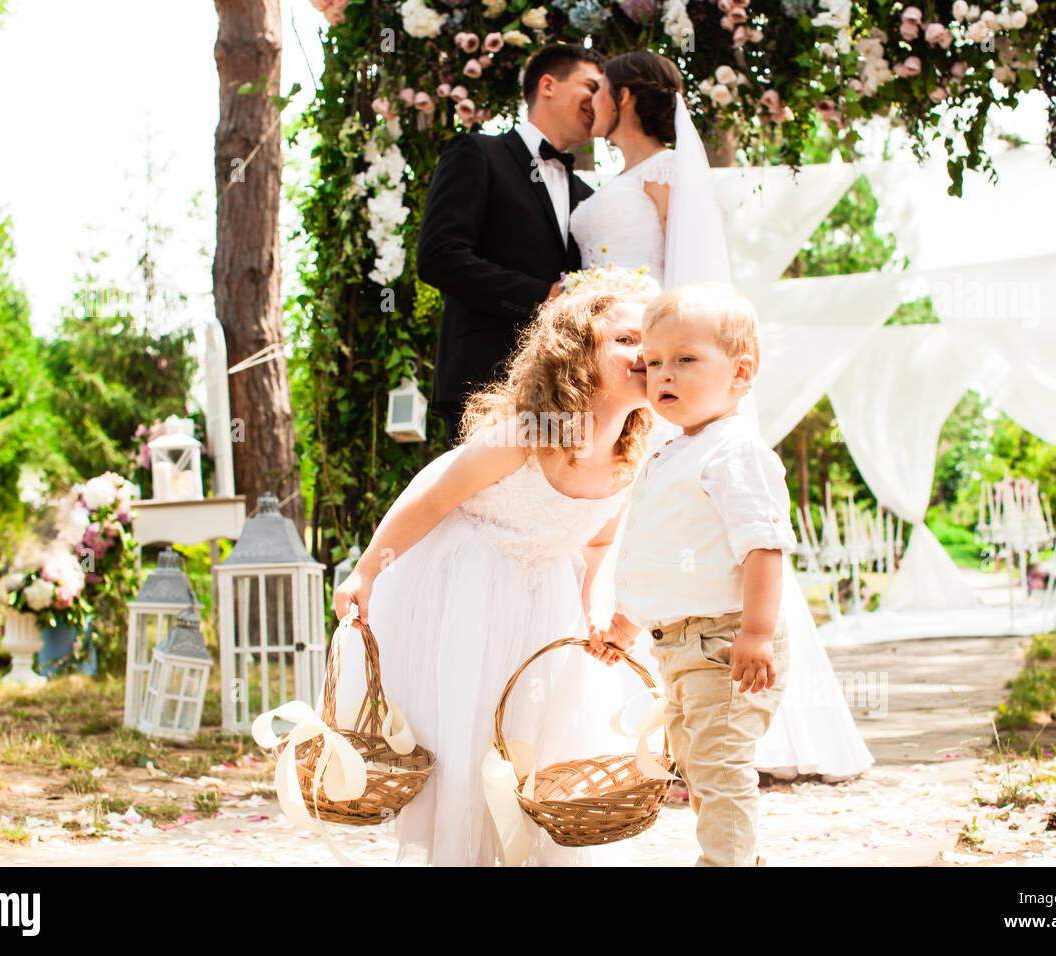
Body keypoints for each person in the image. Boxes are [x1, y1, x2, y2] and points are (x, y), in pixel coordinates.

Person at [573, 50, 873, 782]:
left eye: (601, 92)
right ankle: (644, 720)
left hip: (656, 359)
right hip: (610, 360)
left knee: (701, 520)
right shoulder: (599, 183)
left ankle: (736, 695)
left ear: (630, 97)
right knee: (637, 515)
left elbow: (691, 272)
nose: (591, 106)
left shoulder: (671, 172)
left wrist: (671, 366)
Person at [330, 272, 658, 866]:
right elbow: (432, 496)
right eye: (627, 340)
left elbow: (600, 545)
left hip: (545, 597)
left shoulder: (628, 460)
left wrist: (594, 608)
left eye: (651, 343)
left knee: (536, 737)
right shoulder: (530, 435)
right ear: (578, 354)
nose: (646, 354)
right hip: (471, 584)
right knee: (472, 729)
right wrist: (367, 572)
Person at [590, 283, 793, 867]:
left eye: (685, 359)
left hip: (726, 642)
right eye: (653, 363)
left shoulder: (735, 452)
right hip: (680, 648)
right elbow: (661, 553)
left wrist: (756, 633)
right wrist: (628, 623)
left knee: (722, 768)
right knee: (701, 767)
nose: (663, 375)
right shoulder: (671, 451)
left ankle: (725, 862)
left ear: (741, 372)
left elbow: (764, 547)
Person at [417, 43, 605, 448]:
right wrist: (543, 295)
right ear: (548, 84)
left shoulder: (589, 196)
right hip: (482, 381)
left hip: (562, 391)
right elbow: (439, 257)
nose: (598, 99)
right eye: (590, 85)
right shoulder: (477, 153)